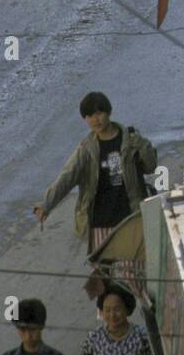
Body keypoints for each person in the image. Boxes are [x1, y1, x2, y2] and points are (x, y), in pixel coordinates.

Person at [33, 93, 157, 261]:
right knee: (105, 273)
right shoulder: (86, 149)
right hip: (99, 222)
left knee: (134, 273)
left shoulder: (130, 141)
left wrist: (143, 146)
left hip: (131, 217)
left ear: (109, 112)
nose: (95, 120)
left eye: (99, 113)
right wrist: (46, 204)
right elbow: (67, 176)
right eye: (89, 116)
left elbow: (150, 167)